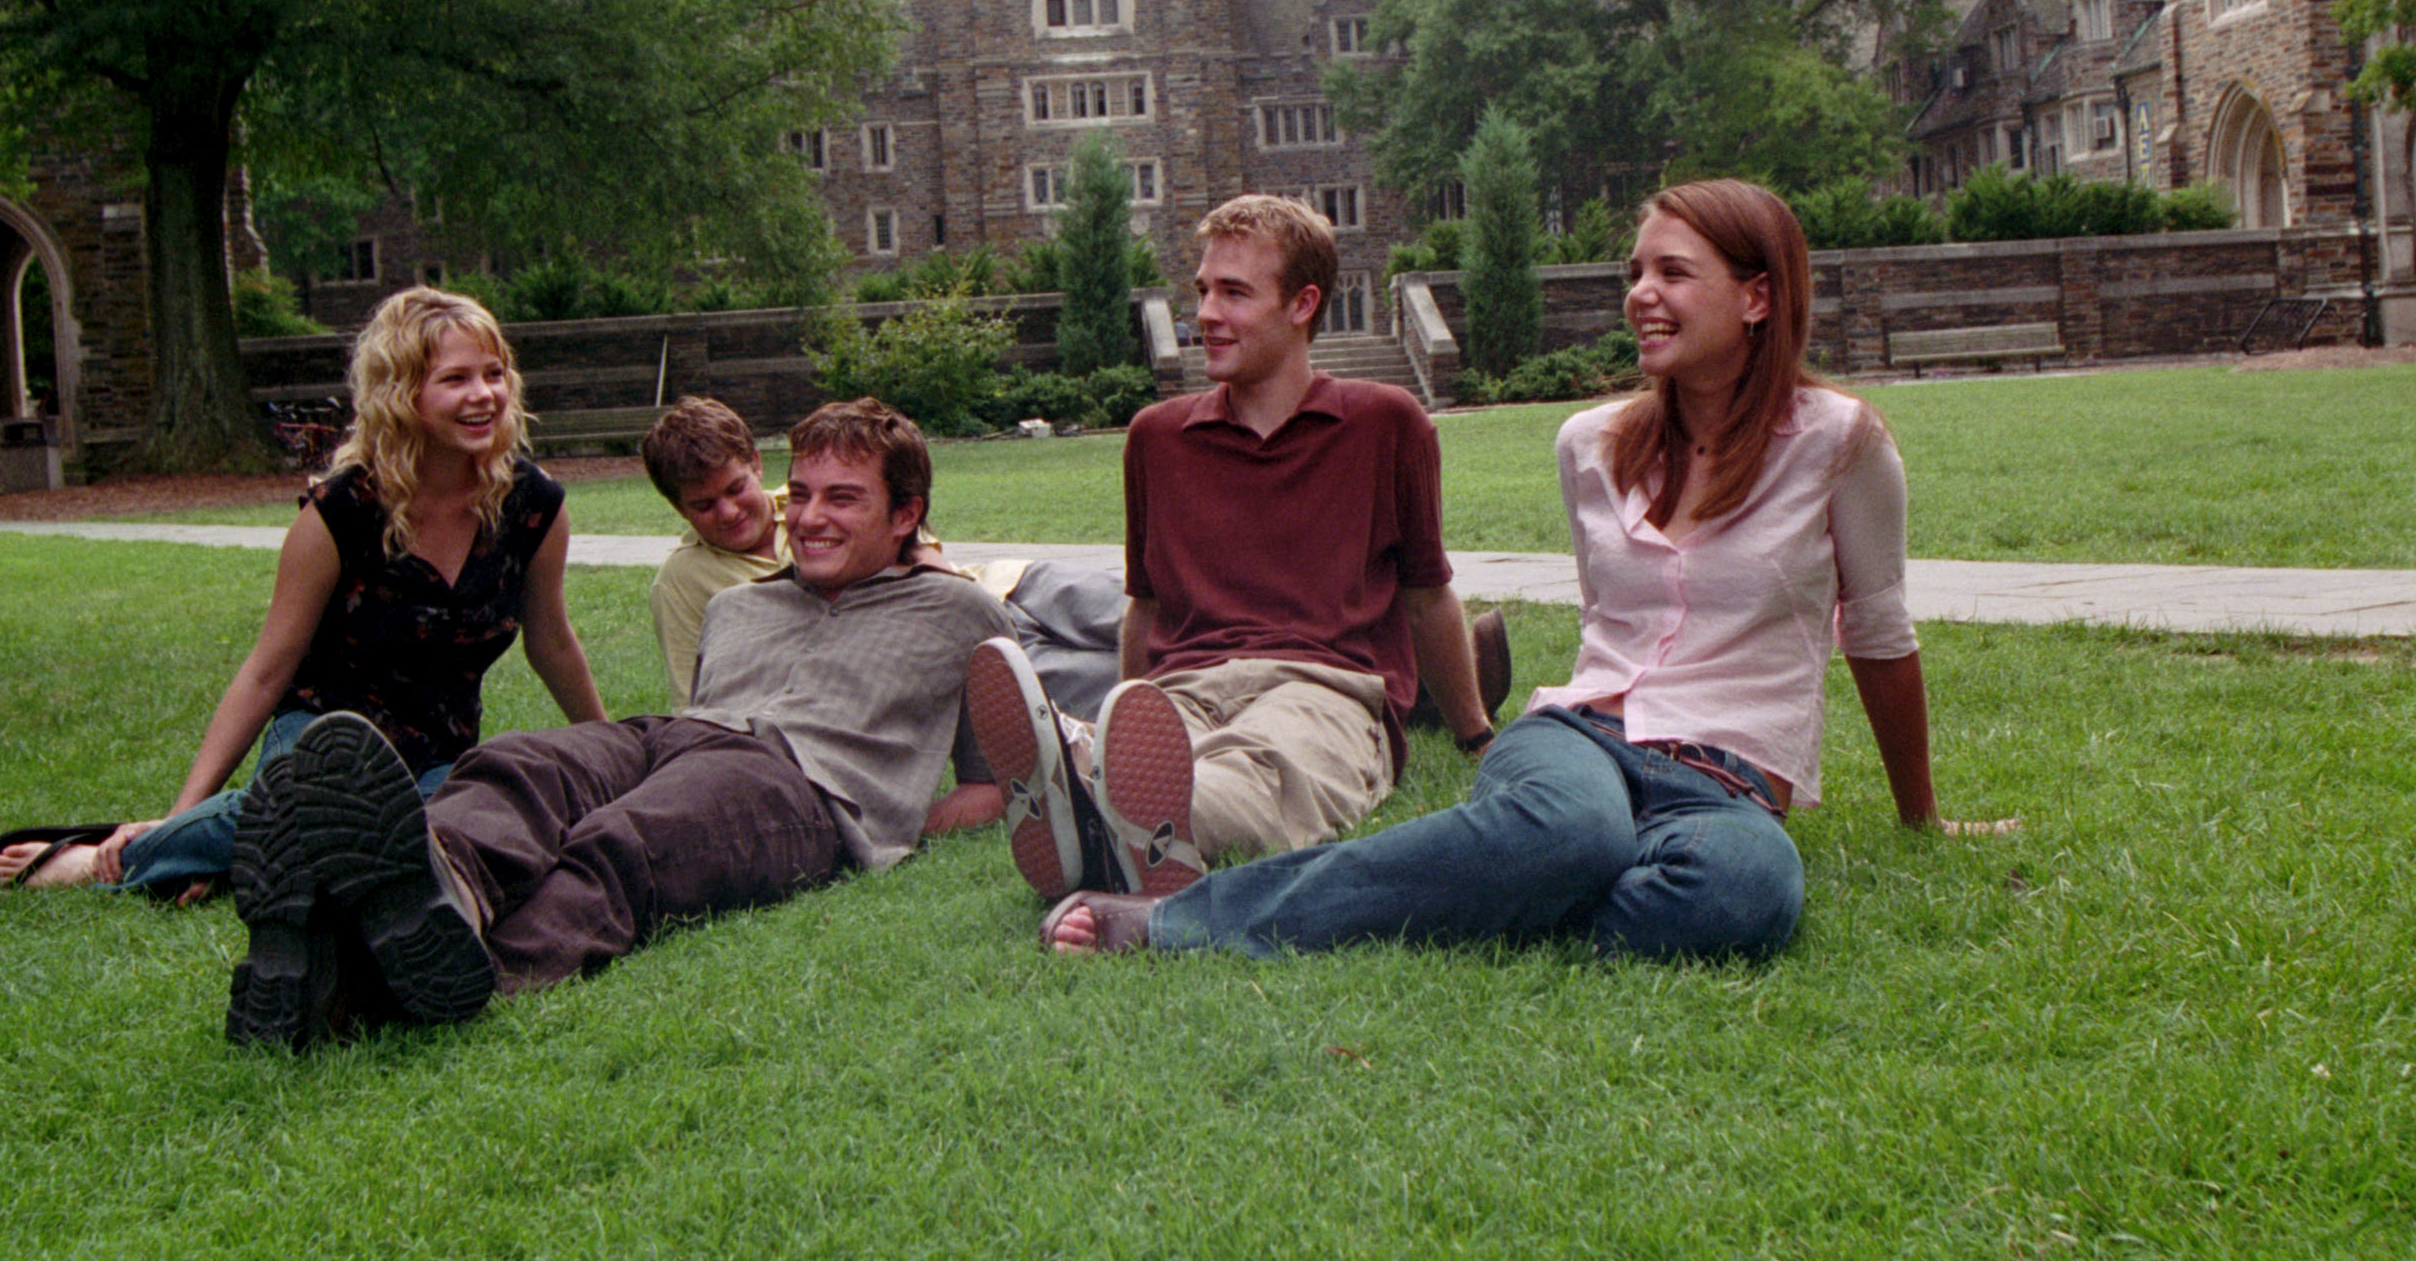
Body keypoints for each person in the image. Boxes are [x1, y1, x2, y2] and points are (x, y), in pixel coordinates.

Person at [1041, 179, 2011, 962]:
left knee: (1746, 892)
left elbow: (1879, 631)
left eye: (1674, 272)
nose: (1641, 293)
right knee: (1573, 833)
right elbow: (1611, 634)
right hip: (1577, 739)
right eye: (1638, 271)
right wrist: (1486, 732)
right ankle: (1174, 918)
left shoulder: (1842, 442)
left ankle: (1492, 901)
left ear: (1757, 296)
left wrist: (1921, 815)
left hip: (1725, 777)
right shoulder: (1590, 442)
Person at [222, 398, 1014, 1047]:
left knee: (632, 838)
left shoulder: (962, 611)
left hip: (798, 785)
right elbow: (692, 720)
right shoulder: (738, 604)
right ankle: (442, 880)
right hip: (671, 736)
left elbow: (999, 781)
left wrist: (891, 820)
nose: (808, 518)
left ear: (906, 513)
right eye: (800, 493)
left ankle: (373, 974)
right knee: (527, 763)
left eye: (843, 499)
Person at [0, 288, 605, 900]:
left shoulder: (531, 507)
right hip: (323, 734)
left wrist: (612, 755)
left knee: (464, 818)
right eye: (456, 379)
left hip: (436, 755)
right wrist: (181, 811)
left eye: (494, 374)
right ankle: (107, 860)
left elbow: (551, 642)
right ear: (403, 394)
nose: (483, 395)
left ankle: (235, 856)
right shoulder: (341, 512)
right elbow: (268, 669)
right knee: (323, 802)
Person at [969, 192, 1502, 905]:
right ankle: (1102, 779)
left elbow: (1425, 593)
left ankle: (1097, 799)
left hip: (1326, 689)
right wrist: (1136, 701)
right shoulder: (1157, 438)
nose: (1205, 315)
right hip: (1186, 690)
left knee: (1266, 772)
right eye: (1202, 291)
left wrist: (1474, 735)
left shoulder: (1387, 424)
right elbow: (1145, 609)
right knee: (1163, 752)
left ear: (1303, 303)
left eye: (1234, 293)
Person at [642, 393, 1128, 720]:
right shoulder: (686, 582)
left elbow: (919, 546)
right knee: (1136, 679)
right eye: (704, 505)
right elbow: (703, 706)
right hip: (947, 647)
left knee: (1163, 616)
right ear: (675, 507)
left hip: (1002, 586)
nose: (728, 512)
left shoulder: (805, 504)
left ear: (755, 463)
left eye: (736, 488)